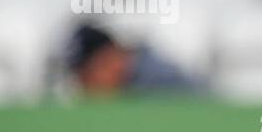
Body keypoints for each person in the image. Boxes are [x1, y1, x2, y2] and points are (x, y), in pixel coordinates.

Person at [63, 22, 201, 95]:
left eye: (88, 78)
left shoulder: (162, 85)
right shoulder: (132, 87)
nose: (85, 90)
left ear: (110, 58)